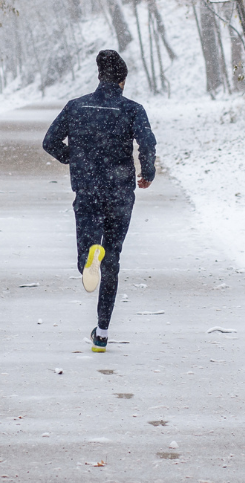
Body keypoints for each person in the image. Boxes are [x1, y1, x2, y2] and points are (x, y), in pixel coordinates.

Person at [42, 50, 156, 353]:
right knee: (113, 259)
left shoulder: (76, 107)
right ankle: (103, 332)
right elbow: (147, 142)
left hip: (88, 189)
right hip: (119, 192)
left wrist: (75, 159)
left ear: (99, 77)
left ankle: (88, 258)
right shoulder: (132, 109)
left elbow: (49, 141)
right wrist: (148, 172)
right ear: (122, 81)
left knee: (89, 254)